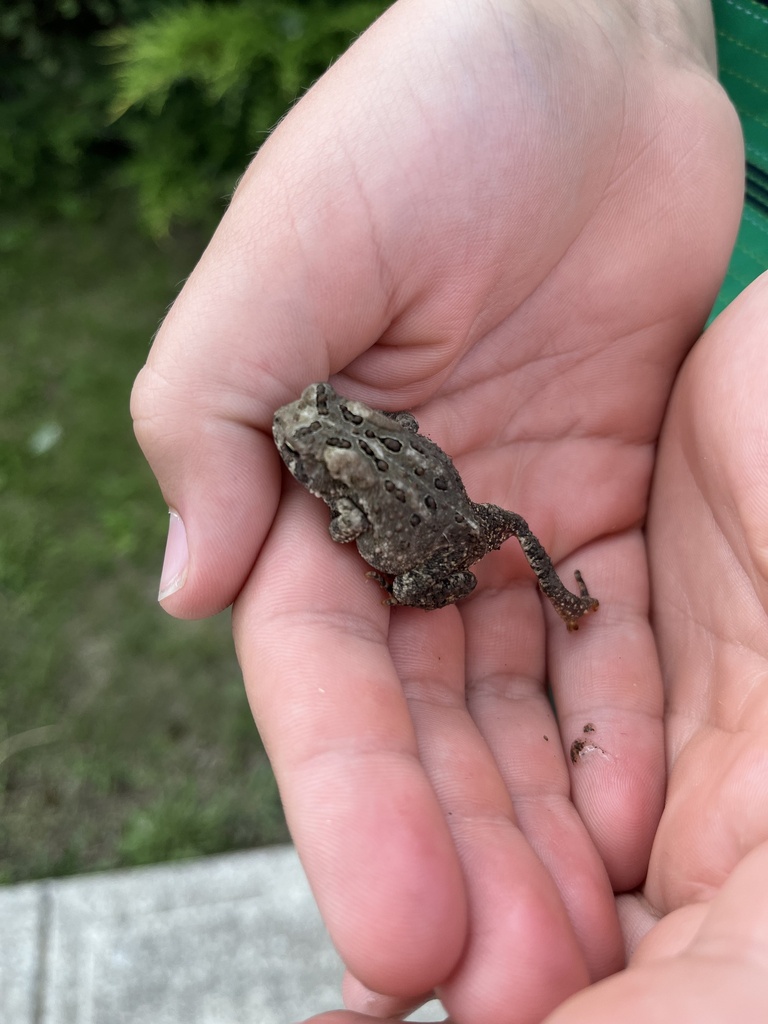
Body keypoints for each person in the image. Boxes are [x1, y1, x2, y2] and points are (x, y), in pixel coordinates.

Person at [131, 0, 768, 1020]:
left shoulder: (338, 476)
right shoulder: (352, 434)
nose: (295, 438)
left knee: (428, 574)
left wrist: (374, 541)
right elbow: (393, 453)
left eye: (303, 441)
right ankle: (562, 599)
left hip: (682, 341)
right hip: (645, 314)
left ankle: (560, 602)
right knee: (500, 528)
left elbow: (353, 527)